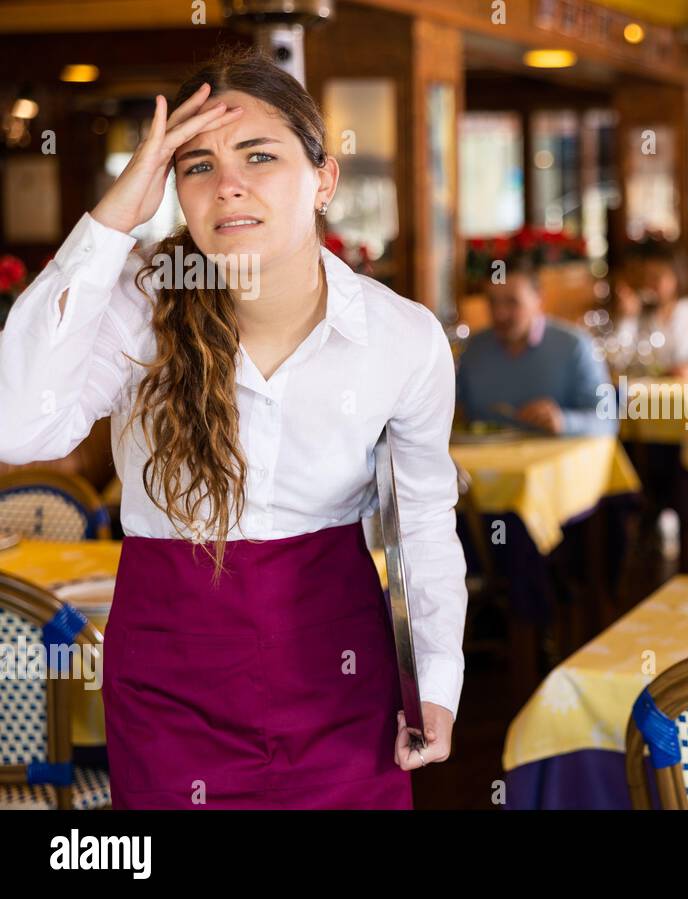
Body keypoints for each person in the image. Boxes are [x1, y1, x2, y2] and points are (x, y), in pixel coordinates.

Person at [0, 49, 467, 808]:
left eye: (260, 155)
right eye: (194, 166)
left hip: (341, 677)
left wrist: (437, 681)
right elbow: (14, 426)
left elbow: (420, 520)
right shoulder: (139, 306)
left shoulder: (402, 338)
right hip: (168, 687)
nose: (228, 185)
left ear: (323, 178)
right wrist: (116, 214)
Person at [456, 255, 616, 437]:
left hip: (555, 462)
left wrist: (564, 421)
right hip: (481, 462)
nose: (500, 314)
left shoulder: (575, 346)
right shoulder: (474, 349)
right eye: (493, 302)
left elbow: (608, 422)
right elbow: (456, 413)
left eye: (512, 302)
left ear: (539, 298)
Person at [612, 241, 688, 381]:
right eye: (646, 276)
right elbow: (619, 362)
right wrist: (627, 318)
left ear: (676, 277)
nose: (649, 283)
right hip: (646, 395)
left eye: (656, 277)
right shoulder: (639, 314)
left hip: (685, 393)